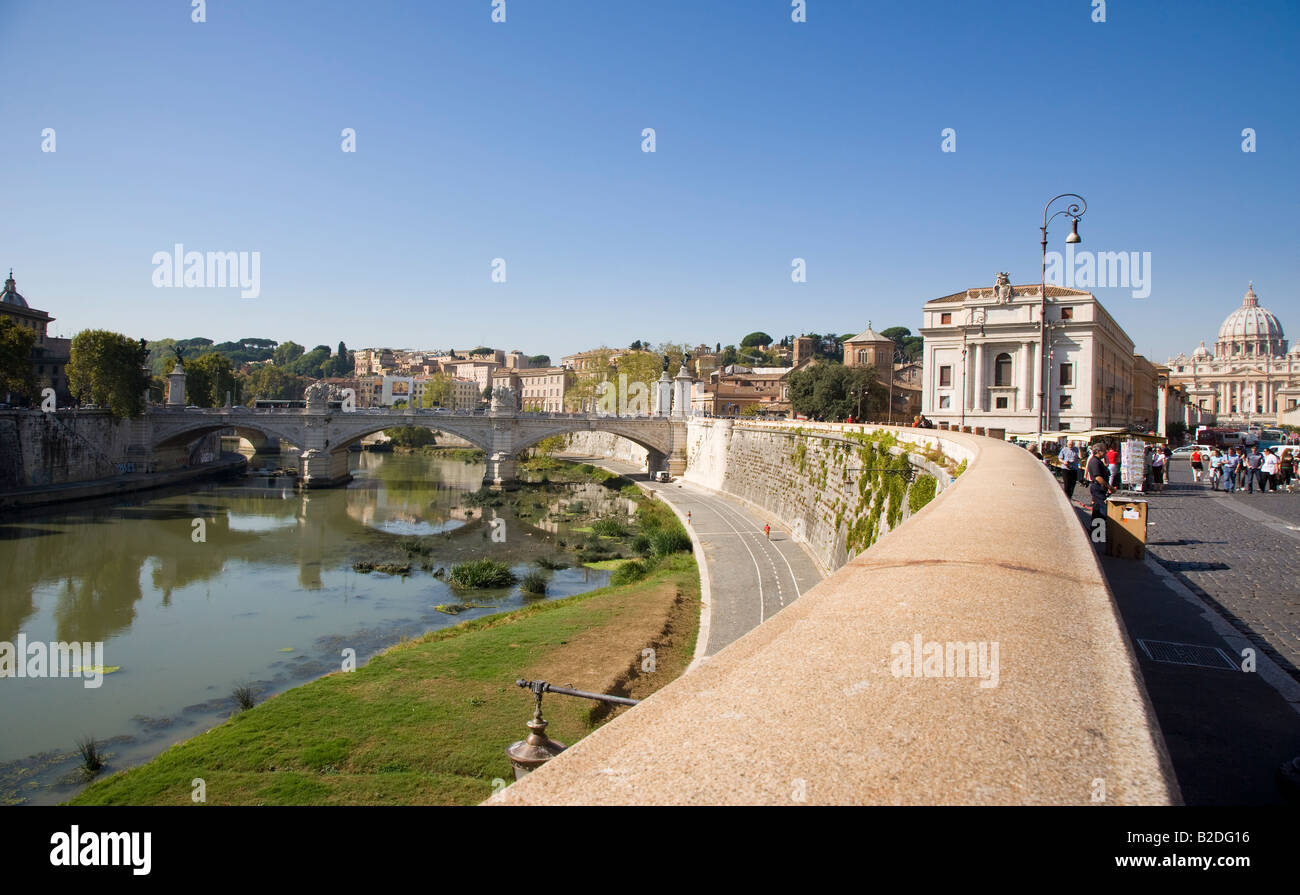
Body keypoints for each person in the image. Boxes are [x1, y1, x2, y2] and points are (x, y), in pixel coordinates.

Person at [1086, 443, 1113, 526]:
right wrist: (1109, 487)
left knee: (1097, 510)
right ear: (1099, 451)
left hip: (1099, 488)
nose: (1106, 453)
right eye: (1104, 451)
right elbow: (1098, 477)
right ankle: (1098, 533)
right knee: (1102, 511)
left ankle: (1096, 532)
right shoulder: (1095, 461)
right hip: (1097, 487)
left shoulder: (1098, 461)